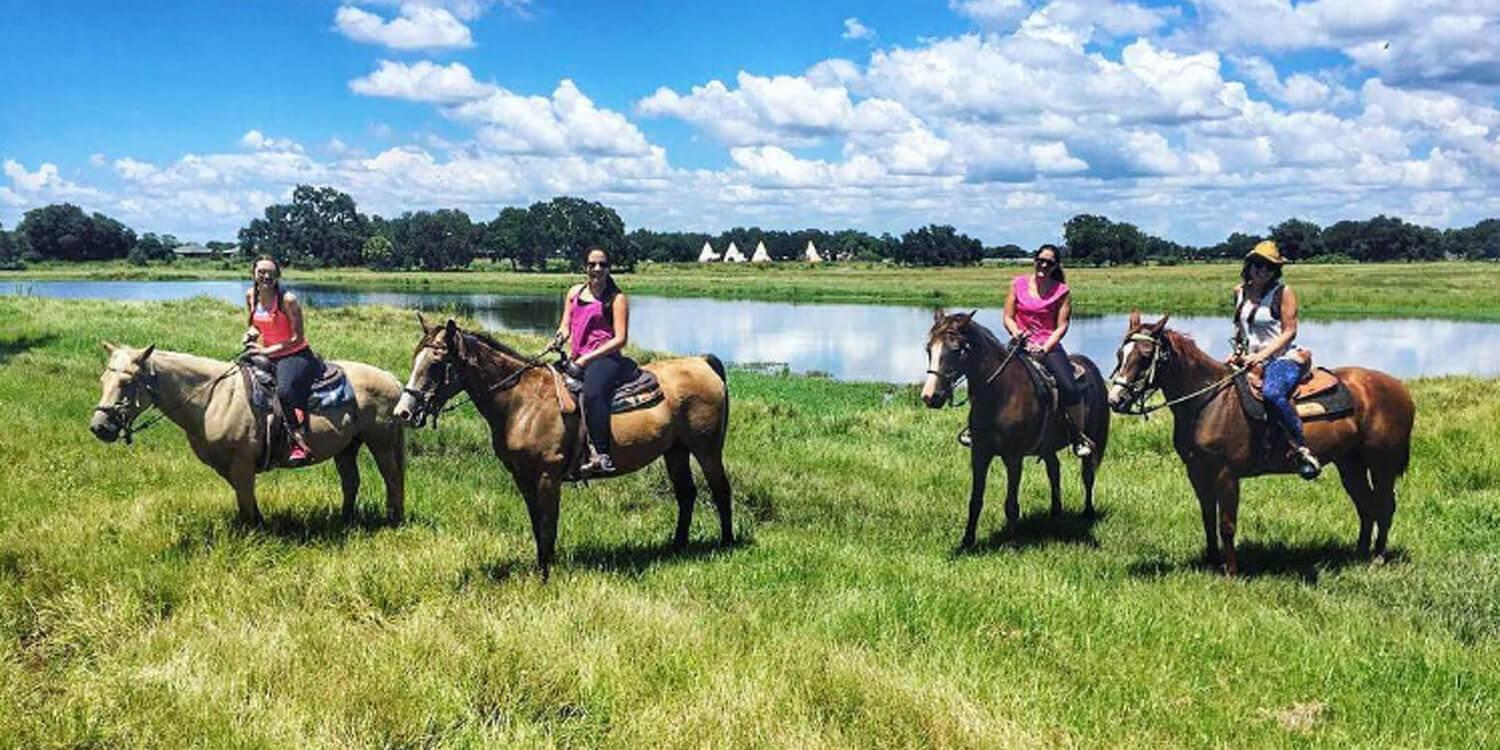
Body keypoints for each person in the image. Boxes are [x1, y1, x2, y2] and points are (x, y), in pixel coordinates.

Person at [1231, 240, 1320, 478]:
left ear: (1275, 271)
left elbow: (1289, 331)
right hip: (1250, 359)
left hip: (1283, 358)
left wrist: (1262, 355)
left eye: (1269, 267)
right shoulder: (1239, 292)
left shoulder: (1283, 293)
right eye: (1257, 265)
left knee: (1271, 393)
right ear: (1249, 266)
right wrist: (1238, 351)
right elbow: (1239, 328)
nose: (1262, 271)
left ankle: (1300, 447)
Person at [1001, 244, 1093, 457]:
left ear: (1055, 266)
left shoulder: (1061, 291)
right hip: (1019, 343)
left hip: (1047, 346)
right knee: (989, 376)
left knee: (1070, 388)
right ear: (1034, 259)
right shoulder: (1018, 283)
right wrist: (1017, 334)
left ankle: (1078, 436)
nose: (1043, 265)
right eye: (1040, 260)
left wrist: (1045, 348)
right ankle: (976, 428)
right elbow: (1008, 316)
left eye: (1049, 262)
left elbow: (1062, 325)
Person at [554, 247, 635, 476]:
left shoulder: (617, 299)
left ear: (609, 268)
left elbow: (620, 339)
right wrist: (559, 338)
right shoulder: (574, 293)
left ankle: (601, 453)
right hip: (577, 357)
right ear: (585, 267)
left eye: (602, 264)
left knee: (592, 392)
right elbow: (566, 325)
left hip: (605, 358)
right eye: (592, 264)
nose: (597, 269)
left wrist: (587, 359)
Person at [244, 255, 319, 464]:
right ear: (253, 274)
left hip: (294, 354)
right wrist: (250, 334)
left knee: (285, 391)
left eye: (270, 272)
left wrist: (267, 352)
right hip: (264, 351)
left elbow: (297, 338)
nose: (266, 276)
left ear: (278, 275)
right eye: (261, 272)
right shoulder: (251, 295)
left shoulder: (288, 300)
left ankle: (298, 442)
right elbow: (254, 325)